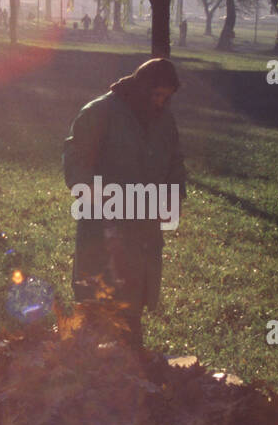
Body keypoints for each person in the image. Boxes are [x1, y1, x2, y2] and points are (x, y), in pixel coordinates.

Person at [62, 57, 187, 348]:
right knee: (97, 298)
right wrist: (98, 193)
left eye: (166, 97)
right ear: (141, 87)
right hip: (103, 224)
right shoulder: (100, 112)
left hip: (143, 228)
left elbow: (175, 162)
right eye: (156, 95)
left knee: (132, 300)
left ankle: (130, 363)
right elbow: (76, 161)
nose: (160, 102)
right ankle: (88, 366)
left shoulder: (164, 121)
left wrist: (174, 194)